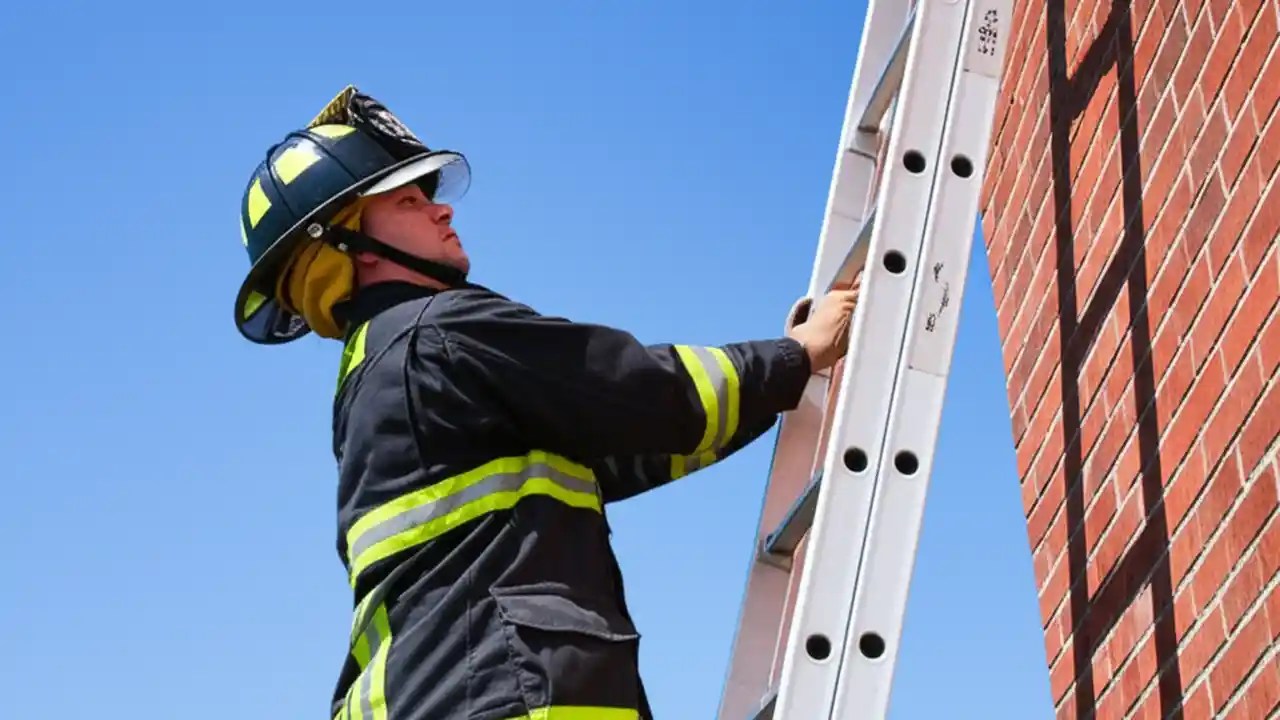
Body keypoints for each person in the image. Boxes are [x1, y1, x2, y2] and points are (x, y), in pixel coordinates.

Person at [232, 86, 861, 720]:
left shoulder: (376, 379)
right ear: (354, 245)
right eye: (408, 201)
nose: (441, 212)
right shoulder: (443, 333)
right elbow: (639, 392)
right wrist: (797, 356)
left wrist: (776, 385)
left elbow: (622, 447)